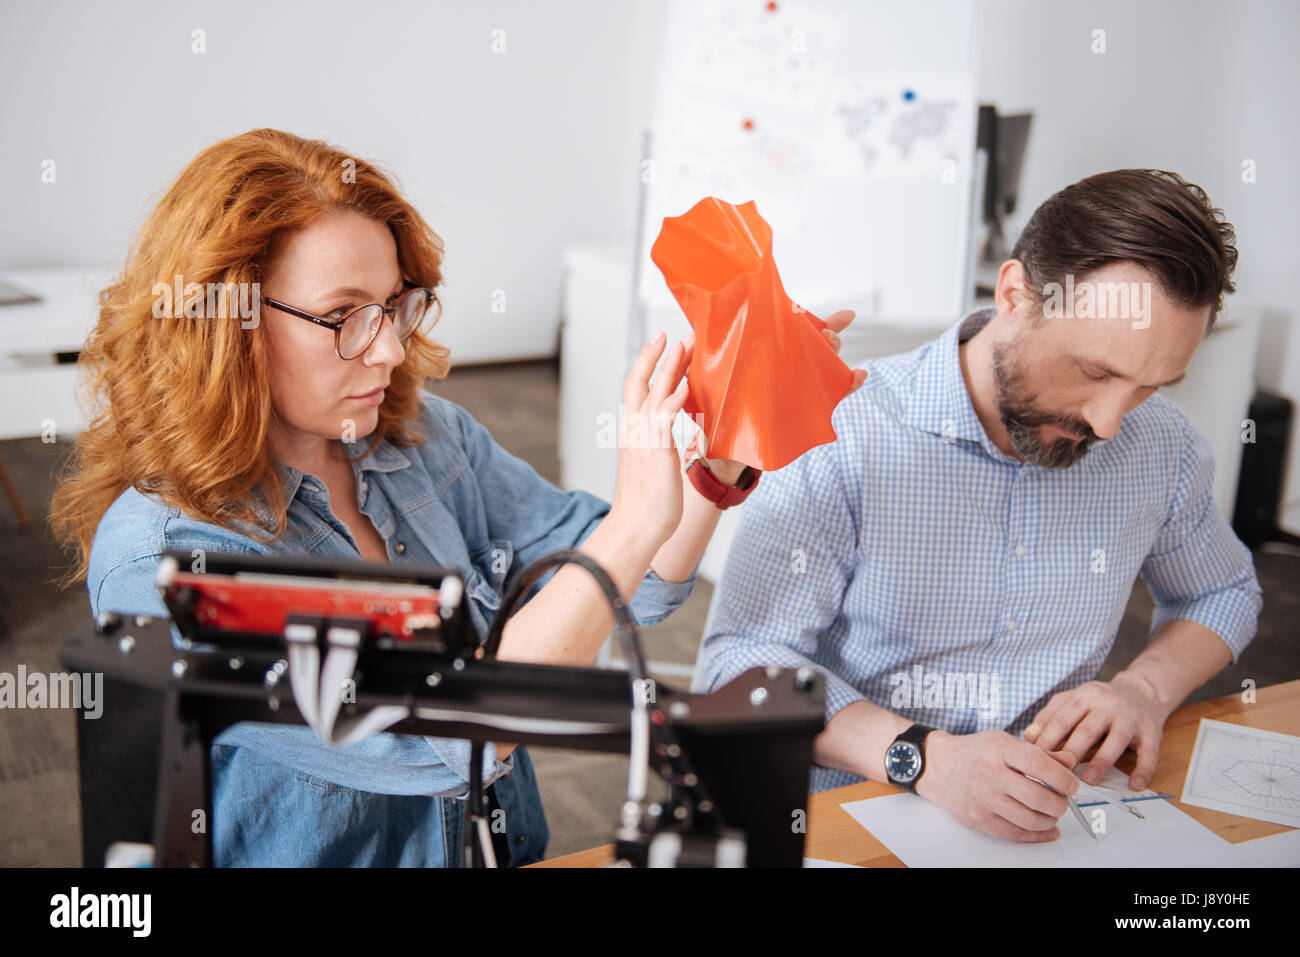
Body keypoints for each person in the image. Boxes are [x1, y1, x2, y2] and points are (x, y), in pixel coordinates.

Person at [50, 127, 863, 866]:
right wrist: (636, 521)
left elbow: (634, 587)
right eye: (344, 317)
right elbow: (455, 737)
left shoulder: (425, 436)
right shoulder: (162, 554)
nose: (390, 348)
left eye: (396, 306)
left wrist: (723, 449)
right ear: (225, 328)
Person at [694, 169, 1263, 844]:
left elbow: (1223, 590)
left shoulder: (1161, 444)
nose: (1111, 422)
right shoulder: (844, 429)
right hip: (847, 816)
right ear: (1015, 294)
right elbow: (739, 664)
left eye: (1150, 385)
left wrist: (1144, 688)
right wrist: (923, 756)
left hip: (1051, 821)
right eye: (1096, 371)